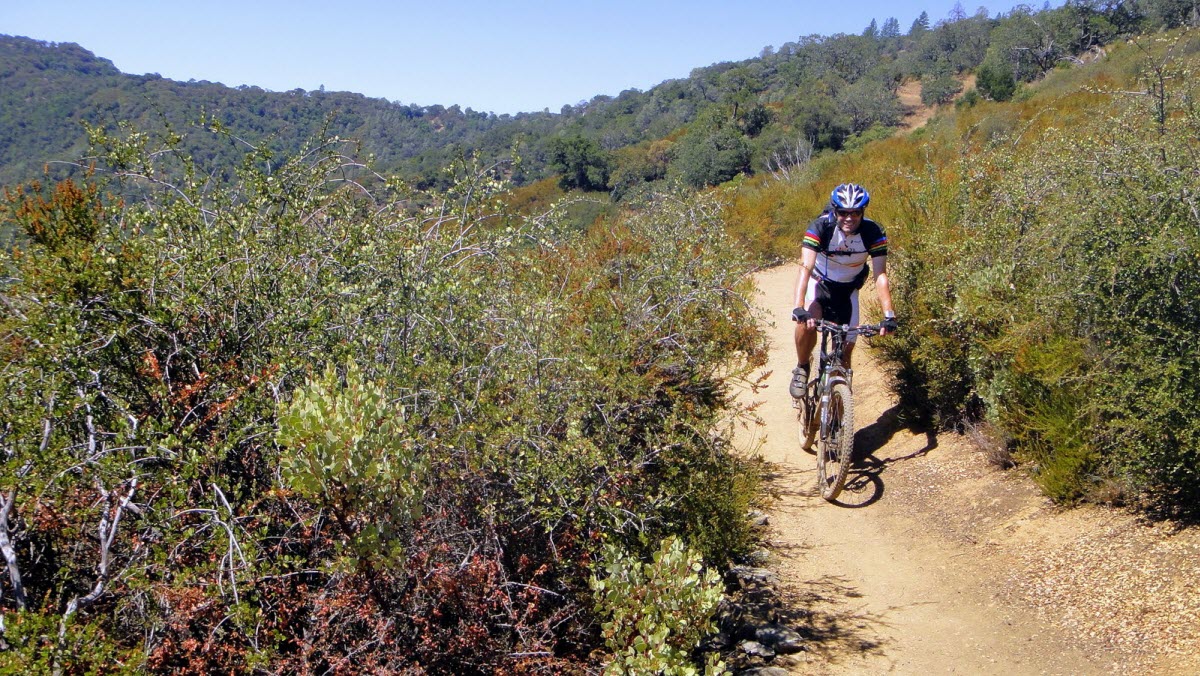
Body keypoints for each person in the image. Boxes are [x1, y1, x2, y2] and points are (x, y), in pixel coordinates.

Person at [790, 183, 897, 398]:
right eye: (843, 212)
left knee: (846, 352)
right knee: (807, 324)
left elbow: (880, 275)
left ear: (862, 211)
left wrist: (889, 315)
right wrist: (798, 307)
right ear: (835, 210)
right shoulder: (821, 227)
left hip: (848, 291)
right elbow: (805, 267)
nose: (849, 218)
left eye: (855, 212)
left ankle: (839, 408)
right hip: (819, 285)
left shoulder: (873, 232)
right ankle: (802, 367)